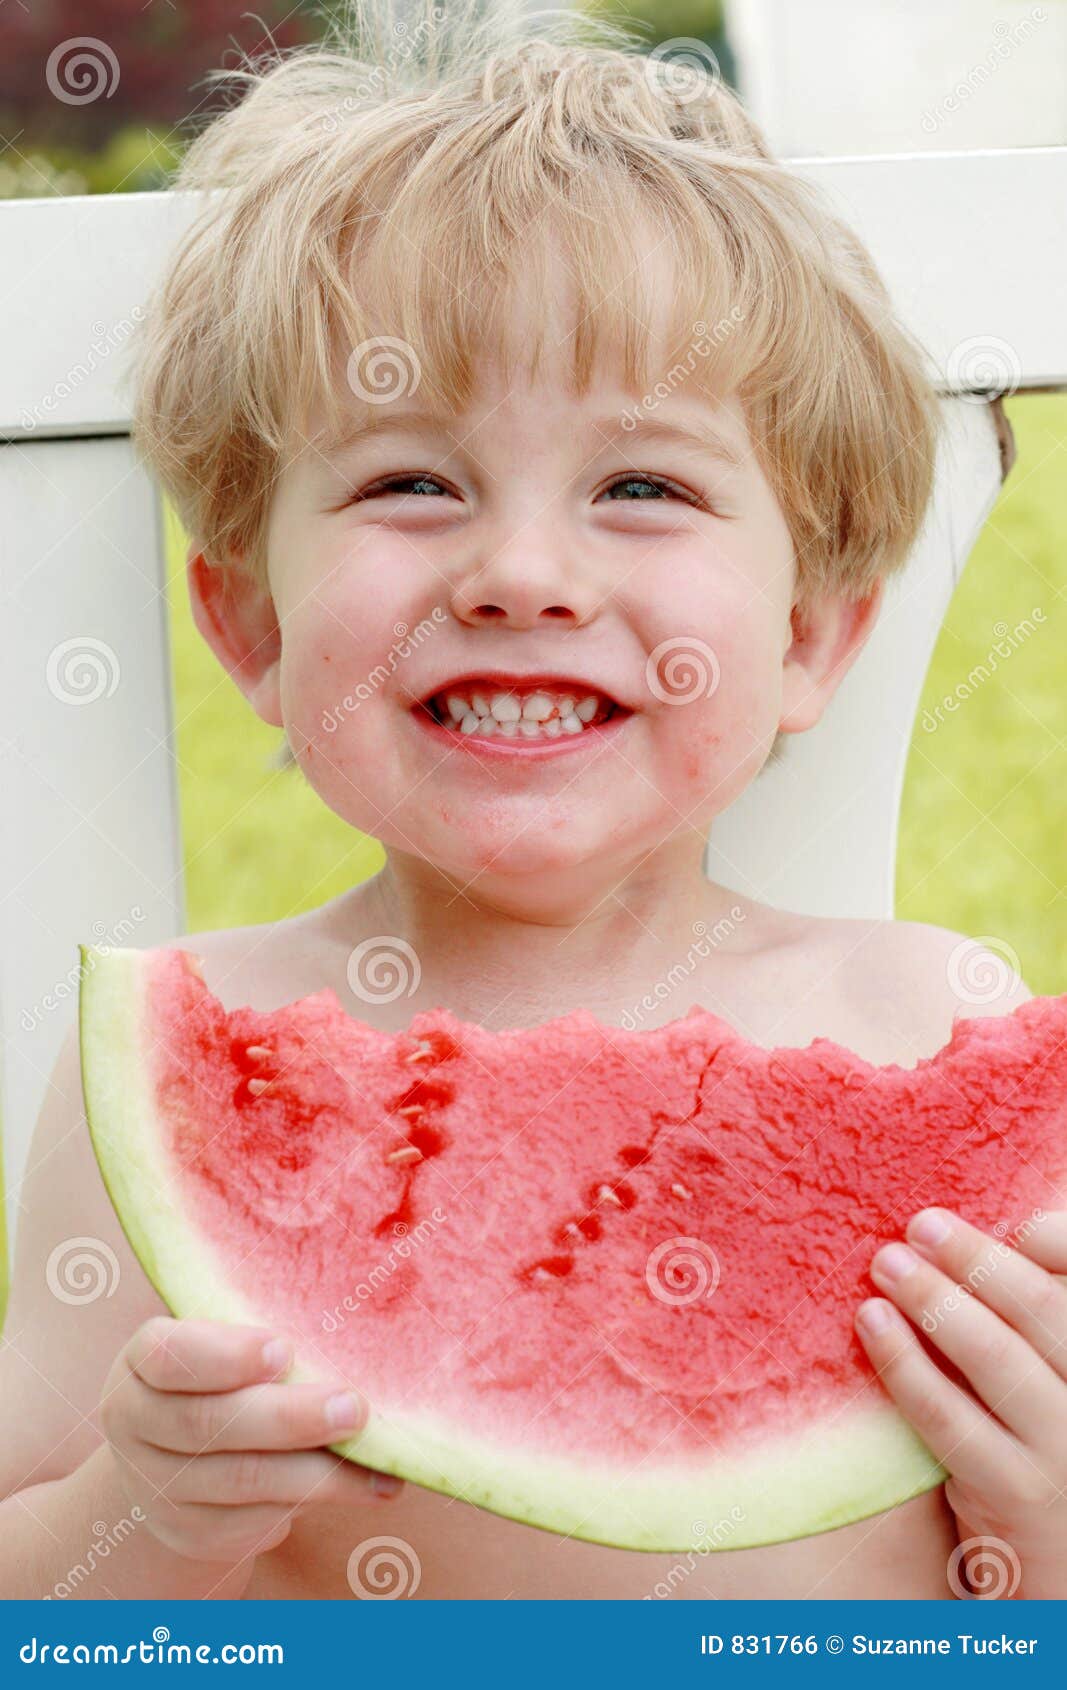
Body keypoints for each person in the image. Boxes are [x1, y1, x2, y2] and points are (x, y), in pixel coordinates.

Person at [2, 0, 1064, 1601]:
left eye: (641, 486)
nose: (519, 574)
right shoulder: (164, 1056)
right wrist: (138, 1512)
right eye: (410, 482)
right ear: (256, 629)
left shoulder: (930, 1021)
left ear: (809, 636)